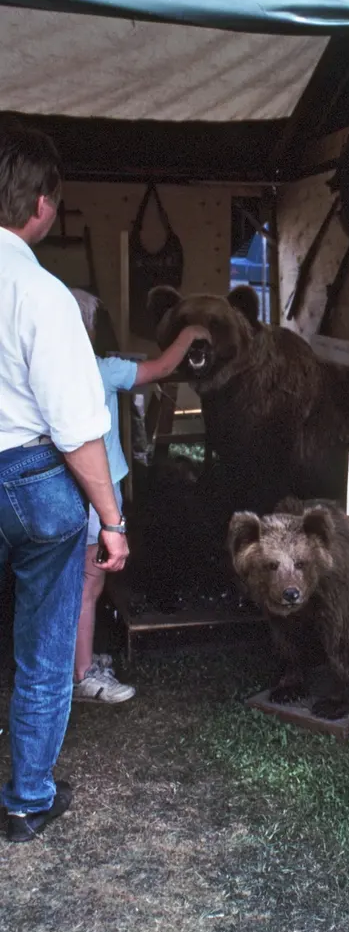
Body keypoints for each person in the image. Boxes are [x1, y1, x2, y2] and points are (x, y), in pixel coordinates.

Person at [0, 124, 129, 843]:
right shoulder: (42, 294)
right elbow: (78, 428)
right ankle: (27, 800)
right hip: (31, 479)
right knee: (44, 649)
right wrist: (111, 519)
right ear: (43, 204)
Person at [69, 288, 210, 703]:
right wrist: (191, 334)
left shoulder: (51, 376)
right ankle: (82, 675)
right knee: (89, 582)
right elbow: (162, 367)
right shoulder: (103, 370)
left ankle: (77, 658)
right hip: (98, 488)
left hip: (66, 486)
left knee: (74, 579)